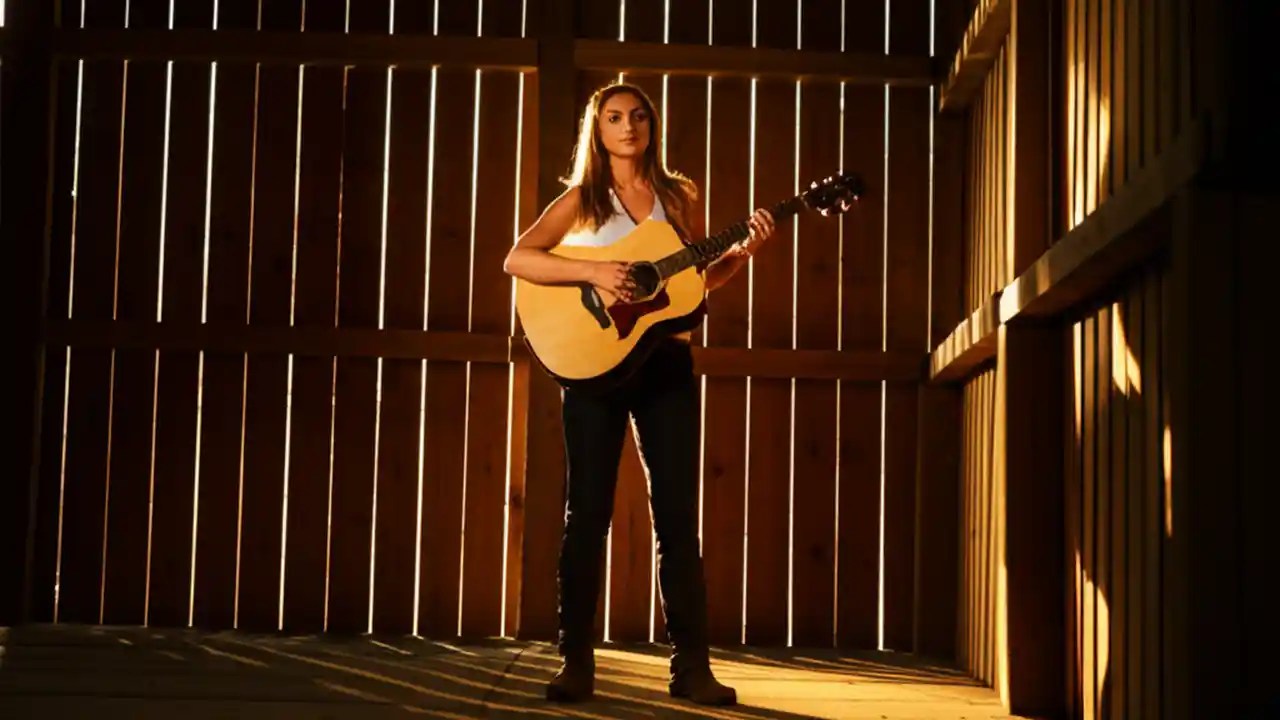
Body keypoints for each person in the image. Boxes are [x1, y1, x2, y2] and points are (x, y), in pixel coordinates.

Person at [502, 81, 775, 706]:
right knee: (587, 514)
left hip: (666, 368)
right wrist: (594, 270)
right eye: (614, 117)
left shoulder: (679, 198)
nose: (628, 127)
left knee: (678, 516)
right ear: (597, 132)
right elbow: (519, 260)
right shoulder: (582, 200)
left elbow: (690, 290)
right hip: (594, 369)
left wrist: (741, 255)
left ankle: (692, 669)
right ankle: (576, 663)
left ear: (653, 125)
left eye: (639, 116)